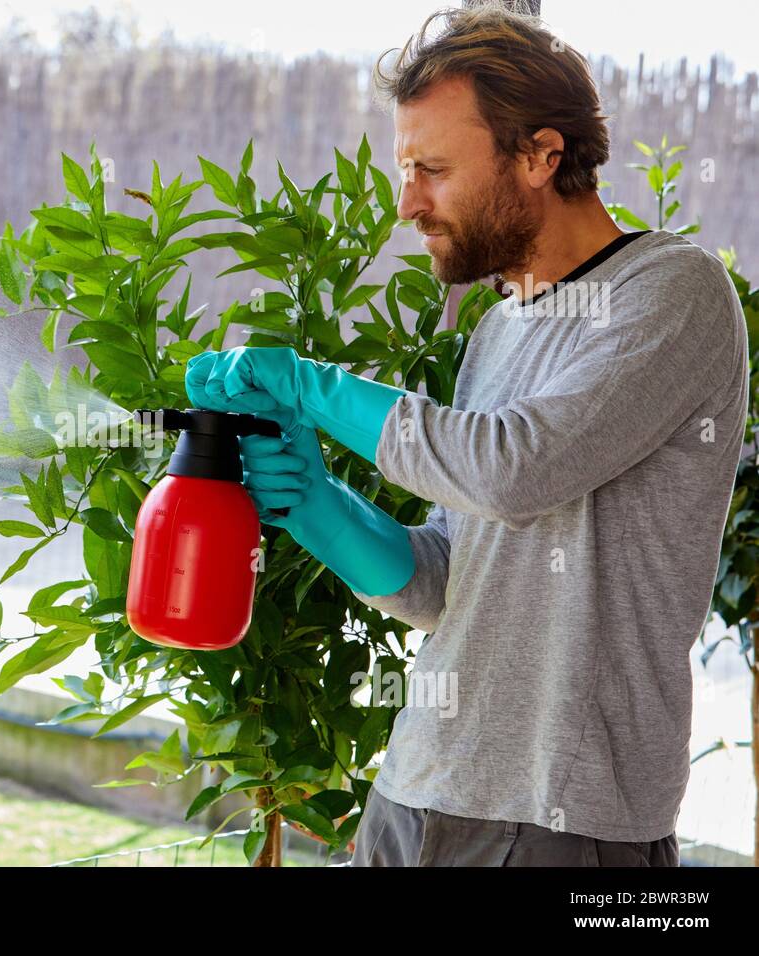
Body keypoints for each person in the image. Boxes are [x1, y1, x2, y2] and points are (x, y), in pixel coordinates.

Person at [185, 4, 748, 866]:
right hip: (414, 791)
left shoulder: (672, 292)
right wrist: (322, 509)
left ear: (540, 156)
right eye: (406, 169)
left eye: (434, 170)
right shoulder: (498, 328)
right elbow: (448, 580)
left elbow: (513, 469)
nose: (408, 203)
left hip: (561, 821)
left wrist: (310, 383)